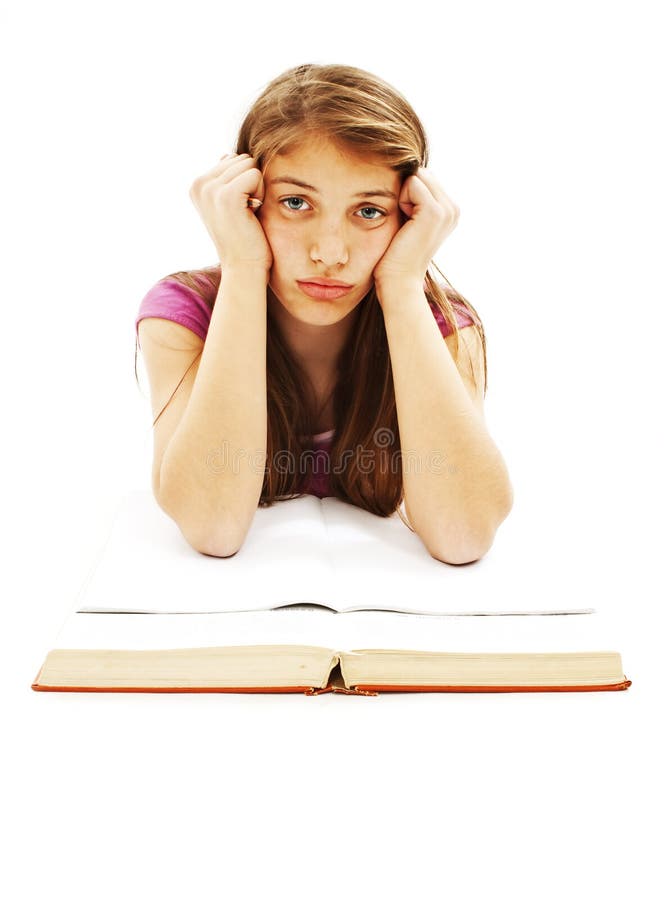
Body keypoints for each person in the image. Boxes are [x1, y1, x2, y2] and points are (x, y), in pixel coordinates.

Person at [134, 63, 513, 564]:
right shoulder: (184, 317)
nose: (330, 253)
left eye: (369, 211)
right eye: (295, 202)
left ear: (409, 214)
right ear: (248, 202)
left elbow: (464, 537)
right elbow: (212, 527)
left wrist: (401, 286)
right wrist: (243, 265)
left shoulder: (441, 327)